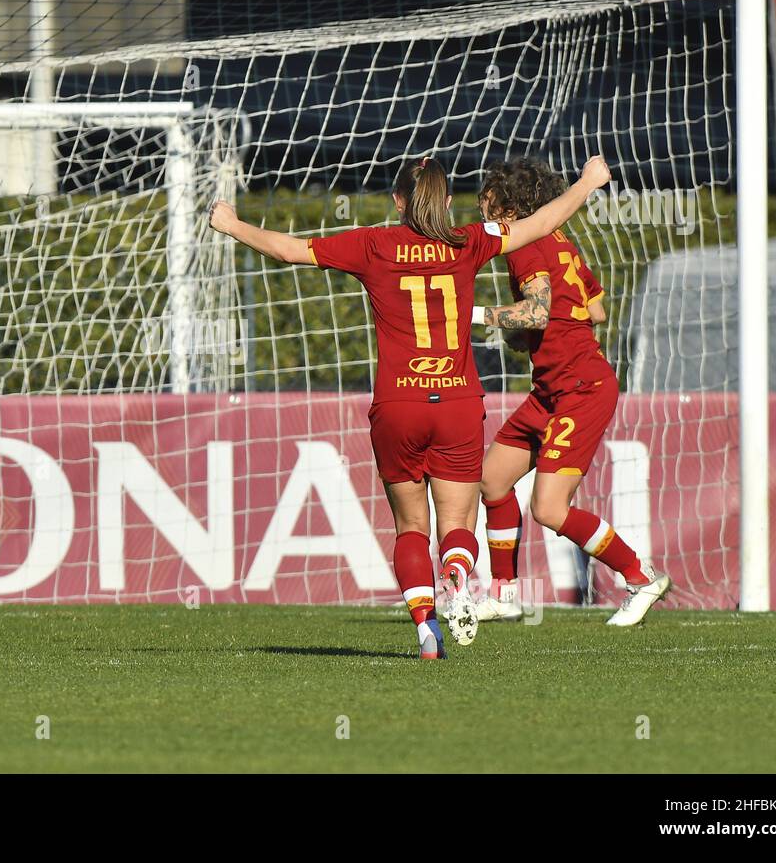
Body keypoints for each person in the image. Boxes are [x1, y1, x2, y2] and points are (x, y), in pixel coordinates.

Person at [209, 154, 612, 658]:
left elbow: (291, 251)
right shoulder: (469, 241)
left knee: (410, 527)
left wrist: (232, 223)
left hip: (398, 403)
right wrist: (586, 182)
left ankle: (426, 628)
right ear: (446, 203)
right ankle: (458, 575)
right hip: (458, 402)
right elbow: (543, 222)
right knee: (458, 525)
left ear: (398, 202)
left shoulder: (372, 244)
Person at [472, 157, 671, 626]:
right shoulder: (561, 239)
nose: (481, 206)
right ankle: (504, 594)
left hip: (580, 387)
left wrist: (475, 316)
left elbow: (538, 313)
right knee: (494, 479)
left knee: (548, 508)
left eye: (487, 197)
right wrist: (534, 333)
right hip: (552, 388)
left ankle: (641, 577)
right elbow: (595, 311)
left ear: (511, 205)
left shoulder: (524, 242)